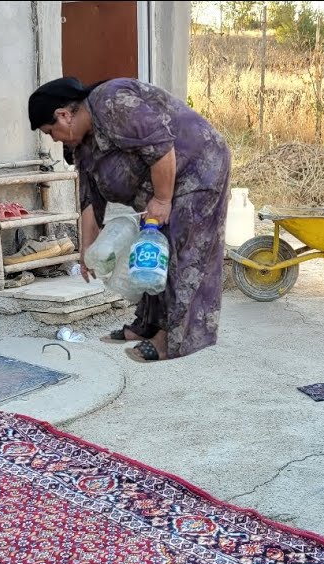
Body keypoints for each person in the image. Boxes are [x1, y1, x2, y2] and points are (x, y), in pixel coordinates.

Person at [28, 76, 231, 363]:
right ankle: (147, 325)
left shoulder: (111, 101)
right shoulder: (80, 144)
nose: (53, 139)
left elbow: (161, 147)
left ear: (63, 115)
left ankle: (172, 340)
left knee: (183, 250)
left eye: (51, 131)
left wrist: (162, 200)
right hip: (162, 184)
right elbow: (89, 196)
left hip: (197, 167)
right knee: (149, 250)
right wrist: (87, 248)